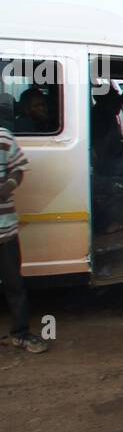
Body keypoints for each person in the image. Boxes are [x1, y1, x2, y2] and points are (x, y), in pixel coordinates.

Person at [0, 127, 48, 354]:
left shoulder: (3, 137)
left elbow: (18, 170)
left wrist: (7, 186)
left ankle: (20, 334)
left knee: (14, 285)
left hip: (5, 229)